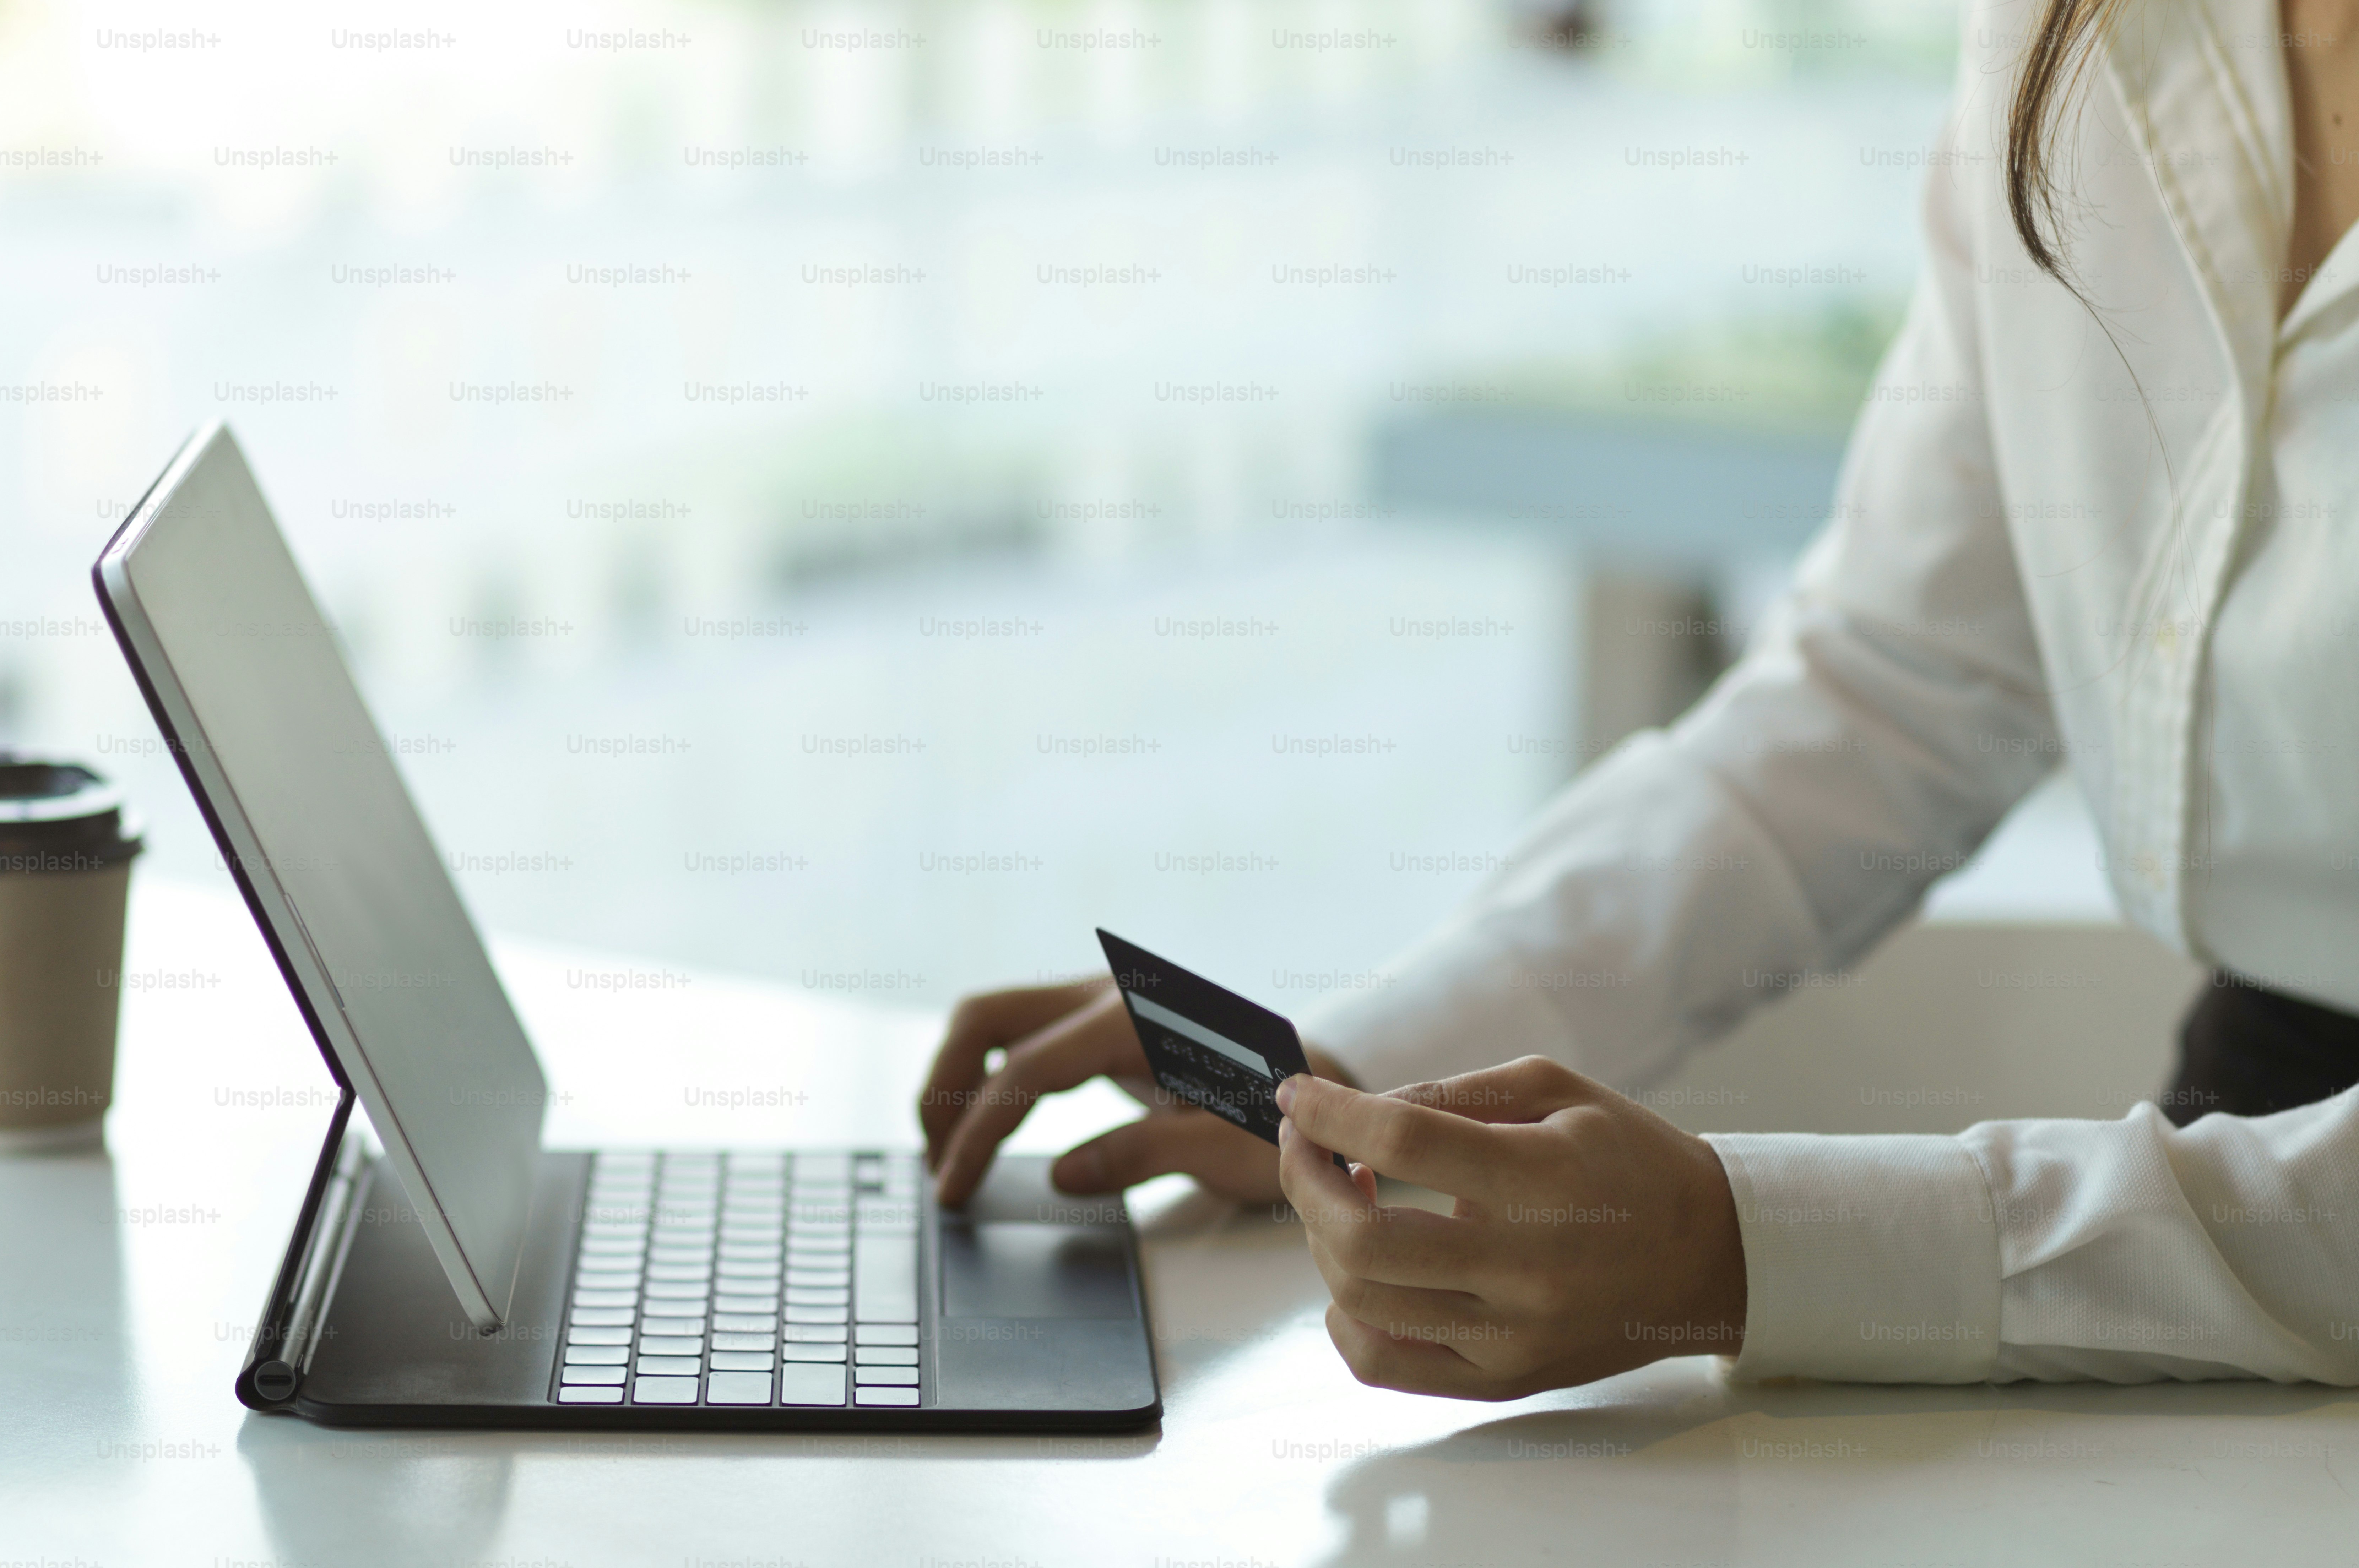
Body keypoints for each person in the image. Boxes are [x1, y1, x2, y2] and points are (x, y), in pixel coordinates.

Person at [921, 0, 2359, 1398]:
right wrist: (1352, 1082)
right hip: (2252, 1136)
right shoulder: (2082, 31)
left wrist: (1750, 1251)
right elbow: (1896, 685)